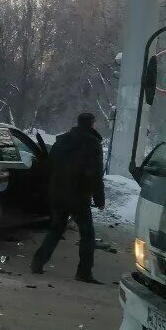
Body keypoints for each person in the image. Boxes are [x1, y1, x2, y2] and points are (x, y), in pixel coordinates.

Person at [31, 112, 106, 283]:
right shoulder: (93, 144)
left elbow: (49, 166)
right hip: (79, 196)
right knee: (87, 234)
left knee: (56, 229)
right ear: (92, 124)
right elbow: (95, 175)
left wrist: (49, 189)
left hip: (58, 194)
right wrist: (99, 199)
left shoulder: (62, 141)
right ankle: (84, 272)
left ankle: (38, 262)